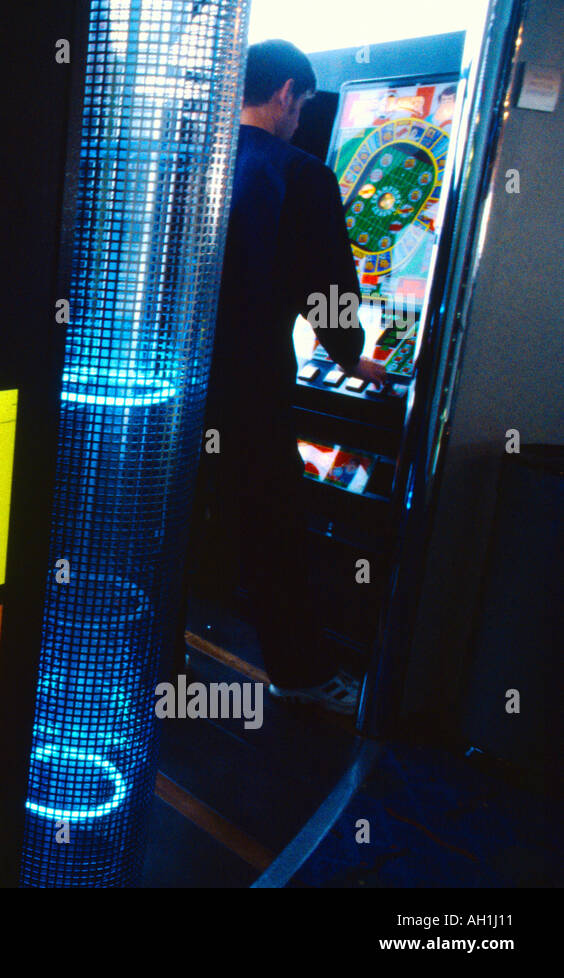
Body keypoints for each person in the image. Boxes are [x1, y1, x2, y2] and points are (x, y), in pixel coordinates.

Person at [192, 40, 387, 715]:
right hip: (251, 387)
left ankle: (154, 667)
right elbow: (327, 291)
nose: (302, 117)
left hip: (183, 384)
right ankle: (300, 671)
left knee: (181, 522)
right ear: (286, 93)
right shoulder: (300, 175)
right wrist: (350, 356)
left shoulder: (197, 165)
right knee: (273, 526)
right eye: (302, 102)